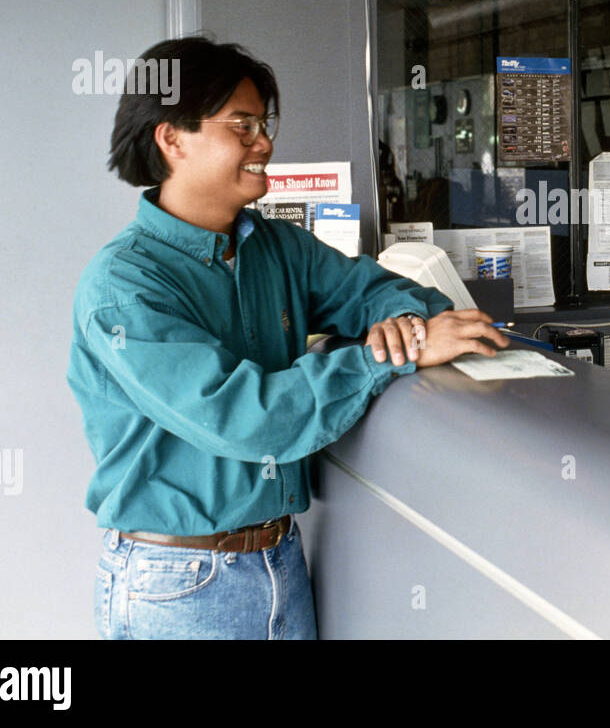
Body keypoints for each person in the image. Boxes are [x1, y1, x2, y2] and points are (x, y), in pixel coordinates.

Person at [68, 36, 508, 639]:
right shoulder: (125, 286)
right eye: (241, 126)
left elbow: (396, 295)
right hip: (179, 581)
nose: (265, 143)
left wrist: (401, 326)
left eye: (264, 123)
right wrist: (381, 358)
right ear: (171, 139)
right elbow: (242, 418)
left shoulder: (278, 247)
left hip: (280, 558)